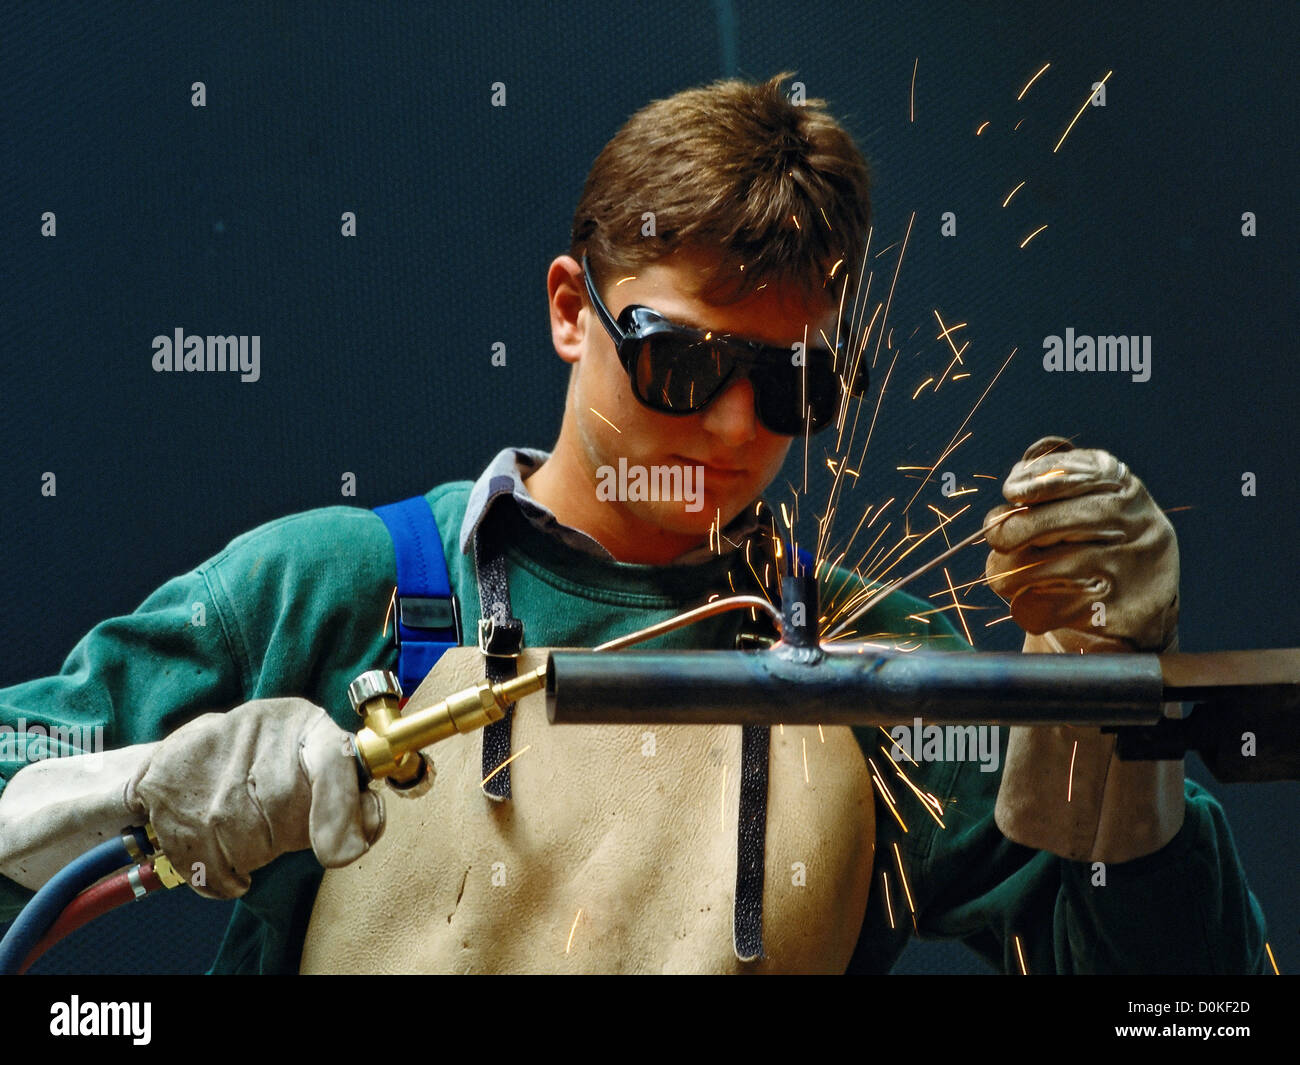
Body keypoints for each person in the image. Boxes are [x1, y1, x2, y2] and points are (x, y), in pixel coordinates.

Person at [0, 73, 1269, 974]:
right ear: (571, 308)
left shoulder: (881, 674)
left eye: (794, 389)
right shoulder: (338, 589)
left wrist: (1113, 712)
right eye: (680, 364)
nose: (731, 430)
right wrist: (135, 784)